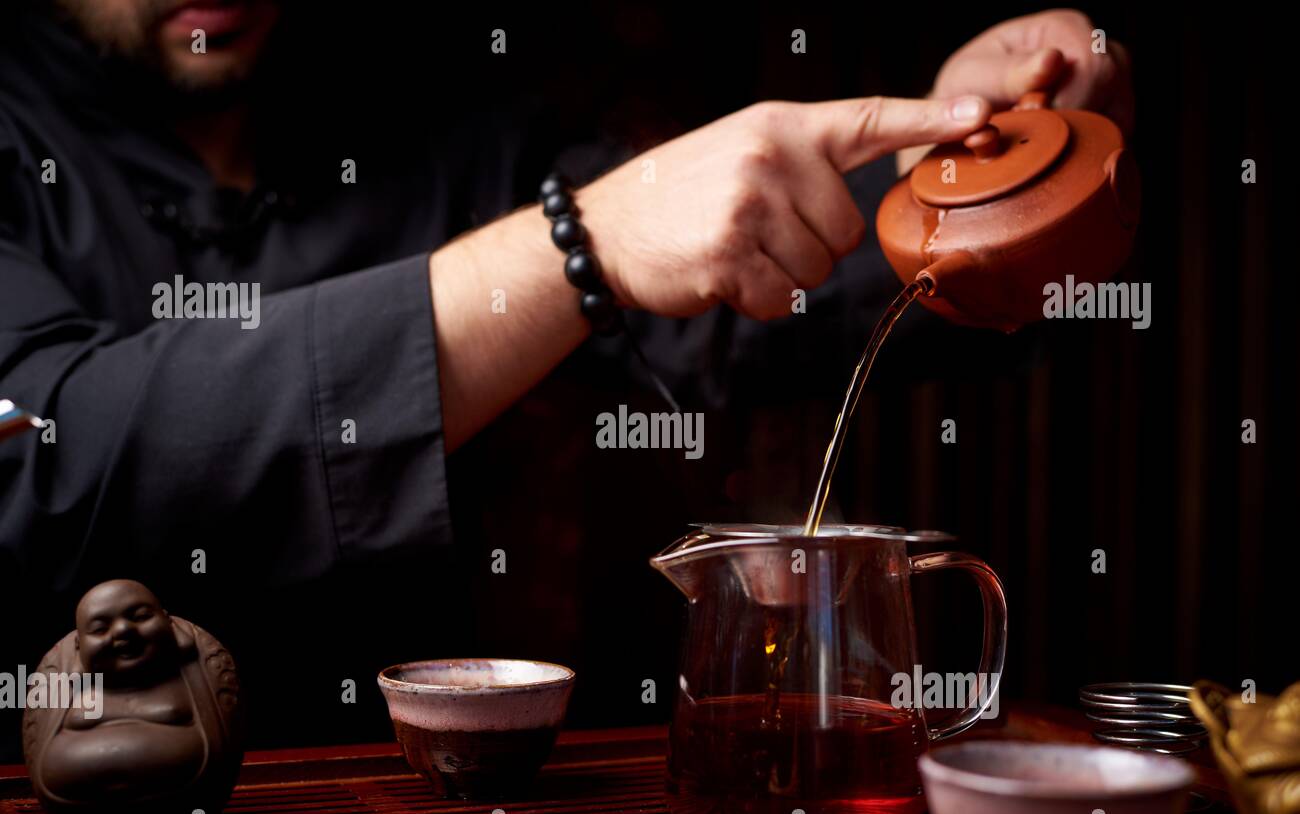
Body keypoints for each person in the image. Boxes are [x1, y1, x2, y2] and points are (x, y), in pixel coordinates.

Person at [0, 2, 1133, 759]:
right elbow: (59, 457)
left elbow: (719, 302)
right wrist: (572, 248)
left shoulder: (410, 107)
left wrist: (968, 176)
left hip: (423, 789)